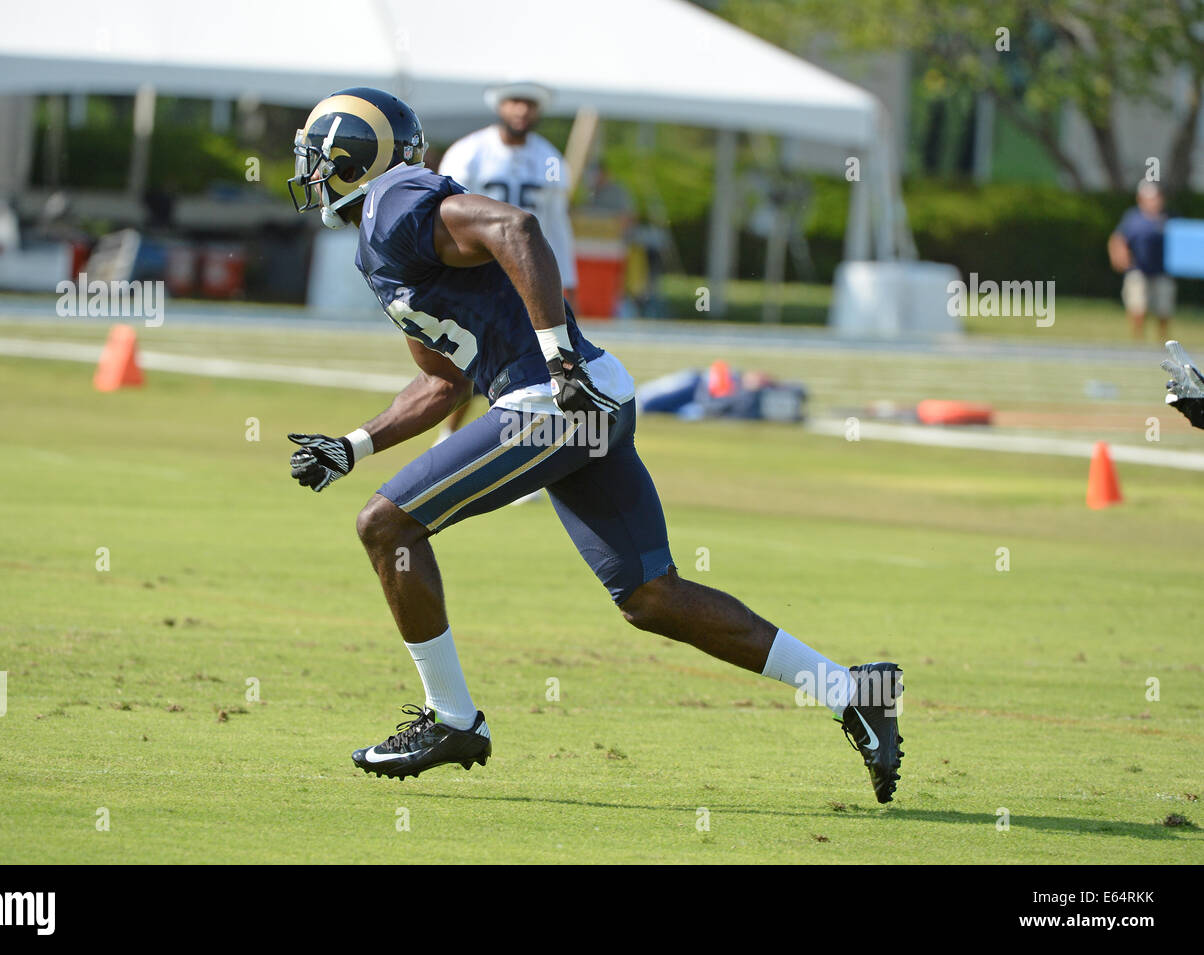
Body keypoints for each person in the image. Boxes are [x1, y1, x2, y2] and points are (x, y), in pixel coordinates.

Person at [284, 88, 904, 803]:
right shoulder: (381, 240)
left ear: (351, 153)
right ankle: (853, 690)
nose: (307, 168)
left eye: (314, 152)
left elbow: (514, 226)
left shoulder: (395, 201)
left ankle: (452, 718)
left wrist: (557, 361)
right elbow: (444, 383)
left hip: (555, 396)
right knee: (650, 595)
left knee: (385, 524)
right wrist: (353, 445)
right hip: (585, 395)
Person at [433, 81, 578, 447]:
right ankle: (448, 437)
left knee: (543, 363)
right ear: (501, 106)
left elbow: (557, 222)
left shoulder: (550, 160)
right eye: (515, 102)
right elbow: (445, 216)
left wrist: (567, 276)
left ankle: (530, 446)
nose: (522, 111)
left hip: (530, 274)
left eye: (529, 104)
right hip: (478, 271)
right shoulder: (470, 153)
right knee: (465, 359)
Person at [1109, 181, 1173, 340]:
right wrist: (1118, 255)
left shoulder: (1169, 217)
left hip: (1162, 271)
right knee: (1138, 306)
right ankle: (1138, 340)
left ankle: (1163, 341)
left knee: (1163, 308)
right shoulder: (1133, 217)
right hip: (1138, 269)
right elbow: (1118, 238)